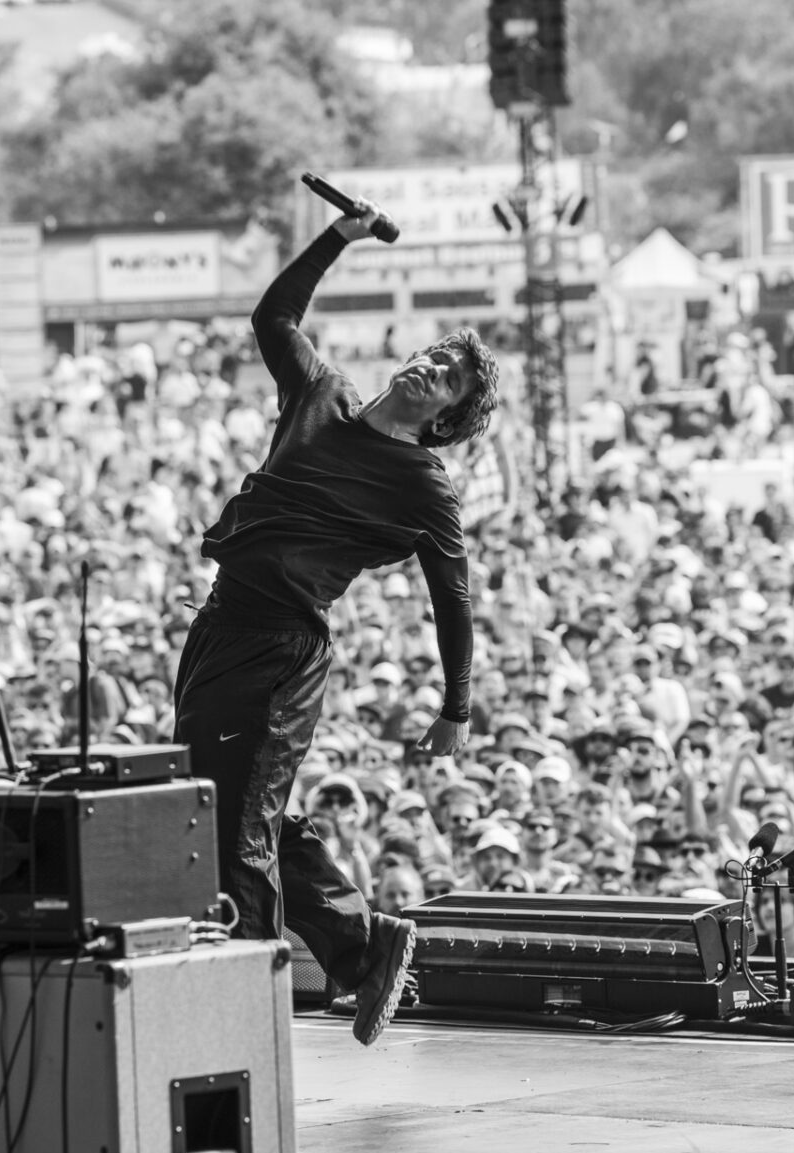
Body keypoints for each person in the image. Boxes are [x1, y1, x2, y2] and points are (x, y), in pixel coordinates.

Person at [173, 199, 498, 1046]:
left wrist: (456, 707)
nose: (429, 369)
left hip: (282, 648)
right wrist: (338, 239)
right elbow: (272, 315)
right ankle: (361, 947)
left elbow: (452, 594)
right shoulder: (319, 392)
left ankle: (243, 1015)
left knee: (235, 822)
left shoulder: (421, 482)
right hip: (219, 624)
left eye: (448, 380)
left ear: (444, 419)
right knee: (244, 810)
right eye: (432, 358)